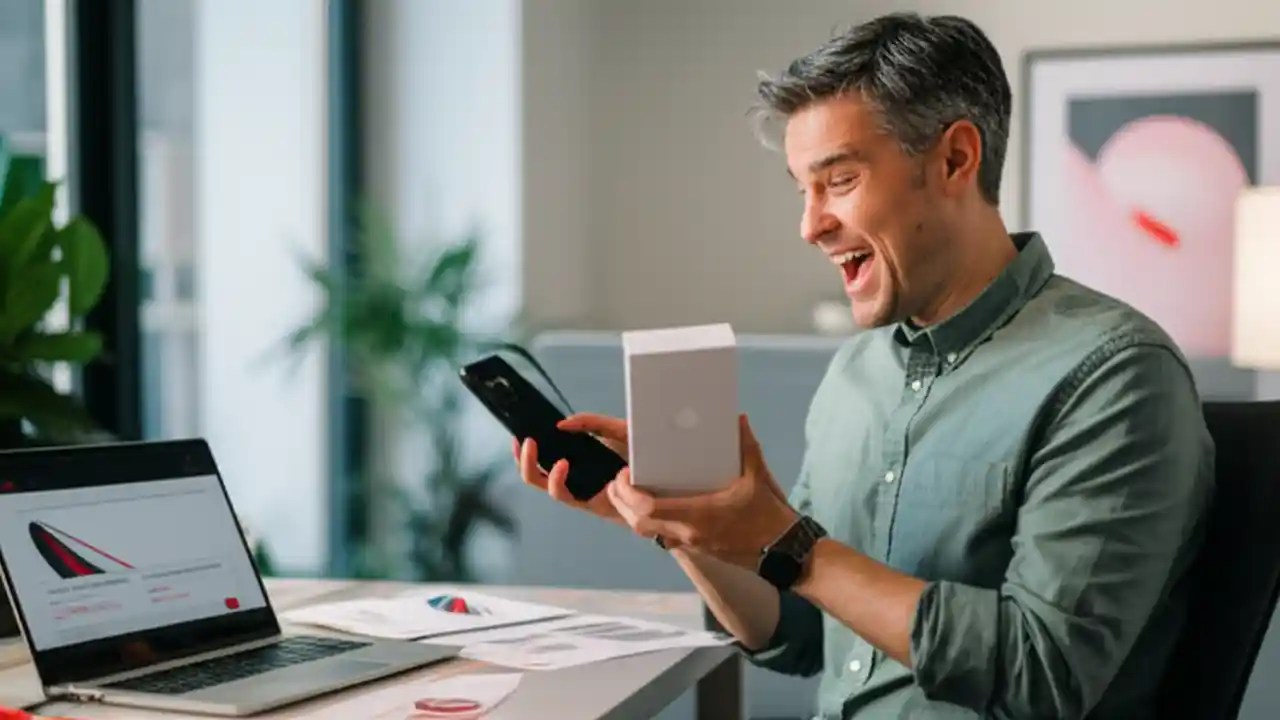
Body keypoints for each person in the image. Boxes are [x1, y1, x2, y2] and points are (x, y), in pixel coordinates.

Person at [515, 12, 1214, 719]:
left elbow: (1044, 674)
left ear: (954, 160)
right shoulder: (857, 374)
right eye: (802, 190)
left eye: (838, 180)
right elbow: (798, 636)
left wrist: (788, 542)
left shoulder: (1114, 376)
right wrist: (680, 523)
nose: (809, 224)